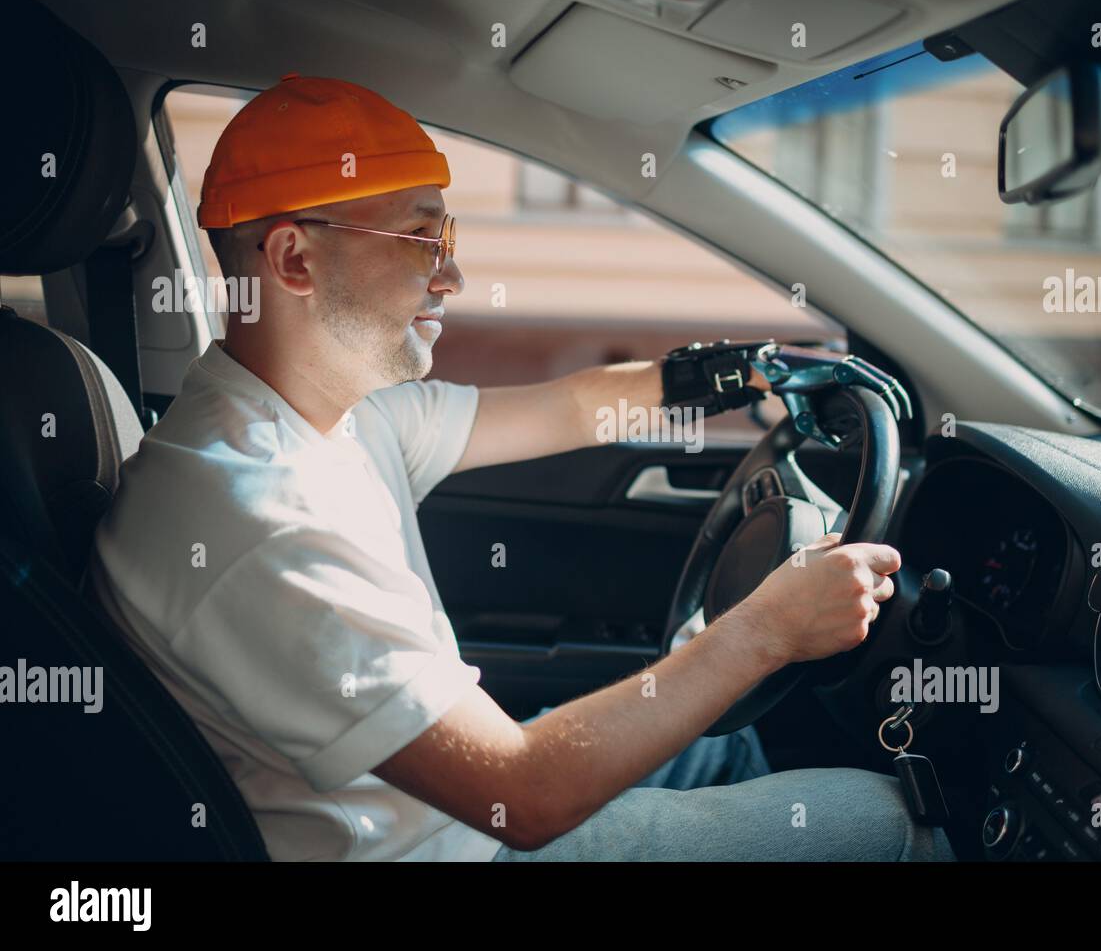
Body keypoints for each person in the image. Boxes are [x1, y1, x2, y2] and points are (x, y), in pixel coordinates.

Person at [88, 73, 955, 862]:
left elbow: (578, 407)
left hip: (456, 823)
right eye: (421, 239)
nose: (453, 275)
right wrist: (769, 629)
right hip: (459, 851)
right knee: (884, 822)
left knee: (722, 743)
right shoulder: (259, 512)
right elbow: (521, 797)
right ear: (295, 261)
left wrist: (749, 369)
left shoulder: (333, 416)